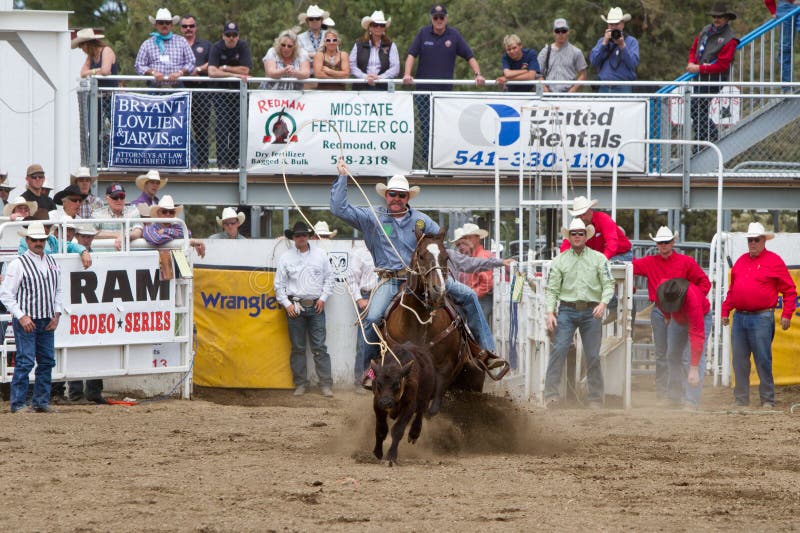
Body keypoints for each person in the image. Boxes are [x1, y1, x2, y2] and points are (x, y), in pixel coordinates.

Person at [331, 160, 504, 381]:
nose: (396, 198)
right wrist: (342, 177)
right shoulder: (372, 217)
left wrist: (443, 269)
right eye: (392, 194)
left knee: (469, 295)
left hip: (423, 279)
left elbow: (440, 247)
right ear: (386, 195)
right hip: (391, 280)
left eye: (401, 195)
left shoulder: (422, 221)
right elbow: (338, 208)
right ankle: (370, 371)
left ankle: (485, 353)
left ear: (408, 198)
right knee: (372, 318)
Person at [722, 222, 796, 409]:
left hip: (761, 317)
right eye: (750, 240)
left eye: (756, 239)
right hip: (740, 316)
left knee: (762, 359)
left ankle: (767, 400)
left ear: (764, 241)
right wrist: (725, 310)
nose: (752, 243)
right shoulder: (740, 261)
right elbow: (733, 291)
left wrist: (787, 312)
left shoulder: (774, 261)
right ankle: (741, 399)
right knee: (739, 360)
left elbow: (789, 290)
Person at [632, 226, 711, 399]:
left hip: (681, 308)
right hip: (662, 310)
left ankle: (681, 393)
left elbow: (704, 282)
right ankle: (665, 393)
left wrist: (692, 300)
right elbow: (629, 267)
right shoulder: (649, 262)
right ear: (657, 244)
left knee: (679, 355)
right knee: (664, 354)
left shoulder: (686, 262)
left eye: (666, 242)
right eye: (660, 242)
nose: (664, 245)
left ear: (673, 242)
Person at [544, 218, 614, 409]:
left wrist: (603, 303)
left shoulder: (599, 259)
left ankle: (595, 399)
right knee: (559, 349)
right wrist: (550, 312)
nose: (577, 236)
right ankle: (551, 395)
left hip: (592, 310)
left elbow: (609, 284)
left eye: (580, 233)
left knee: (592, 355)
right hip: (566, 309)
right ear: (569, 236)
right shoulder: (559, 261)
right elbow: (552, 289)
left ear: (586, 236)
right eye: (574, 233)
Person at [404, 5, 485, 165]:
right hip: (424, 91)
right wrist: (407, 74)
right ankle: (426, 162)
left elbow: (470, 56)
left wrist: (478, 74)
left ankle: (442, 162)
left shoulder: (454, 35)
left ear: (446, 18)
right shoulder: (423, 33)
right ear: (432, 19)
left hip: (444, 93)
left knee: (443, 127)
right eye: (436, 17)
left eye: (442, 17)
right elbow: (411, 55)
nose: (439, 20)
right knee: (425, 127)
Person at [0, 221, 62, 413]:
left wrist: (57, 312)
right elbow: (6, 294)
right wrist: (21, 316)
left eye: (41, 240)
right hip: (27, 319)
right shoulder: (18, 264)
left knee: (46, 361)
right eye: (35, 240)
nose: (38, 243)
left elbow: (58, 290)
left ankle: (40, 401)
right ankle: (18, 403)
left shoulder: (52, 262)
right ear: (27, 240)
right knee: (26, 360)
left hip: (46, 318)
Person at [274, 221, 335, 397]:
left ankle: (325, 384)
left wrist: (323, 298)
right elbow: (279, 285)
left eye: (304, 235)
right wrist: (287, 304)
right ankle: (301, 383)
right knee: (298, 347)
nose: (301, 238)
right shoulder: (286, 257)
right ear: (293, 238)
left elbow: (329, 278)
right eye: (298, 235)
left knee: (319, 347)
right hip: (296, 306)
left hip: (316, 305)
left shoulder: (321, 255)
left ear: (309, 236)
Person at [655, 278, 712, 410]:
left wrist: (694, 368)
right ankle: (674, 397)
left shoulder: (693, 300)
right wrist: (667, 316)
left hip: (701, 316)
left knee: (689, 358)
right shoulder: (663, 291)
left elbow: (697, 336)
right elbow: (661, 304)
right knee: (672, 355)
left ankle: (691, 400)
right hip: (677, 318)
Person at [686, 3, 738, 144]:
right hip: (699, 77)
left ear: (727, 18)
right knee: (698, 110)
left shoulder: (730, 38)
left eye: (720, 17)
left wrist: (699, 68)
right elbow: (693, 49)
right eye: (714, 16)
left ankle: (712, 135)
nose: (716, 19)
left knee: (695, 107)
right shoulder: (705, 30)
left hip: (715, 78)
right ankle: (700, 143)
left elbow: (722, 65)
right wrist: (692, 63)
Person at [208, 22, 252, 168]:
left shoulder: (243, 46)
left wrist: (225, 68)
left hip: (239, 93)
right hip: (220, 93)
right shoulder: (216, 47)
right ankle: (221, 163)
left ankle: (234, 163)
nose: (231, 38)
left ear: (238, 36)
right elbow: (212, 72)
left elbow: (246, 71)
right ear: (223, 36)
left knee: (237, 127)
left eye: (234, 35)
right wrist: (235, 74)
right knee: (221, 126)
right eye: (228, 35)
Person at [180, 14, 212, 168]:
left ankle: (203, 165)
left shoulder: (205, 45)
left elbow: (212, 62)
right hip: (180, 91)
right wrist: (185, 71)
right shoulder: (176, 44)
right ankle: (182, 163)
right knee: (179, 129)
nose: (188, 29)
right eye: (185, 26)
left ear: (196, 28)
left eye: (191, 26)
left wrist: (197, 69)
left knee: (201, 129)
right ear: (181, 28)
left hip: (201, 92)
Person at [134, 8, 196, 87]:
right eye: (161, 23)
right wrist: (153, 73)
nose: (164, 25)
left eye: (167, 22)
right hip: (155, 89)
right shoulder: (147, 44)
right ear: (156, 25)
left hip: (177, 88)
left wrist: (180, 73)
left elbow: (191, 62)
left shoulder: (182, 41)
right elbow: (139, 65)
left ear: (171, 25)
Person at [560, 196, 631, 260]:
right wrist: (564, 258)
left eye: (584, 214)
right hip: (604, 256)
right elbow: (567, 242)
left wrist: (600, 261)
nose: (582, 218)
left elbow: (612, 243)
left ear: (591, 211)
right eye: (579, 215)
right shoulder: (578, 224)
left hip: (621, 255)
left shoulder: (603, 219)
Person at [589, 7, 639, 93]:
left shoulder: (631, 42)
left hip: (623, 88)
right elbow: (593, 62)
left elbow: (633, 64)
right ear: (608, 25)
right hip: (603, 87)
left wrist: (622, 46)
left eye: (616, 24)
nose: (613, 27)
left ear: (622, 24)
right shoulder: (601, 41)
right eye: (611, 24)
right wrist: (604, 44)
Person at [452, 223, 495, 321]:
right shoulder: (474, 257)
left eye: (468, 238)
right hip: (478, 297)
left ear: (477, 238)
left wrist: (470, 294)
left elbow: (486, 284)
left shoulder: (481, 257)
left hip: (481, 299)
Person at [350, 10, 400, 90]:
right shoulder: (359, 44)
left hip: (383, 87)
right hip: (361, 88)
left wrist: (380, 78)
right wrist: (365, 77)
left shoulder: (391, 45)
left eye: (382, 25)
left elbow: (395, 68)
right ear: (370, 27)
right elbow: (351, 65)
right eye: (375, 25)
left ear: (384, 28)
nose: (379, 27)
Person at [538, 18, 588, 93]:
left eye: (563, 31)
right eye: (557, 31)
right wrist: (544, 88)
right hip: (549, 95)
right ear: (553, 33)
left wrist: (573, 89)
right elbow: (537, 74)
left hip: (568, 96)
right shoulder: (545, 52)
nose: (560, 34)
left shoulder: (576, 52)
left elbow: (583, 74)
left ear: (568, 32)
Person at [92, 183, 144, 250]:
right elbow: (91, 232)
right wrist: (120, 235)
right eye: (115, 197)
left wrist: (125, 236)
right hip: (104, 256)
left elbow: (138, 231)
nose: (119, 200)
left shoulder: (133, 211)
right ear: (107, 198)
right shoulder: (98, 214)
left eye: (122, 196)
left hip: (128, 256)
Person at [765, 0, 799, 87]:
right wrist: (772, 9)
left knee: (785, 47)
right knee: (785, 47)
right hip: (786, 6)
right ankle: (787, 86)